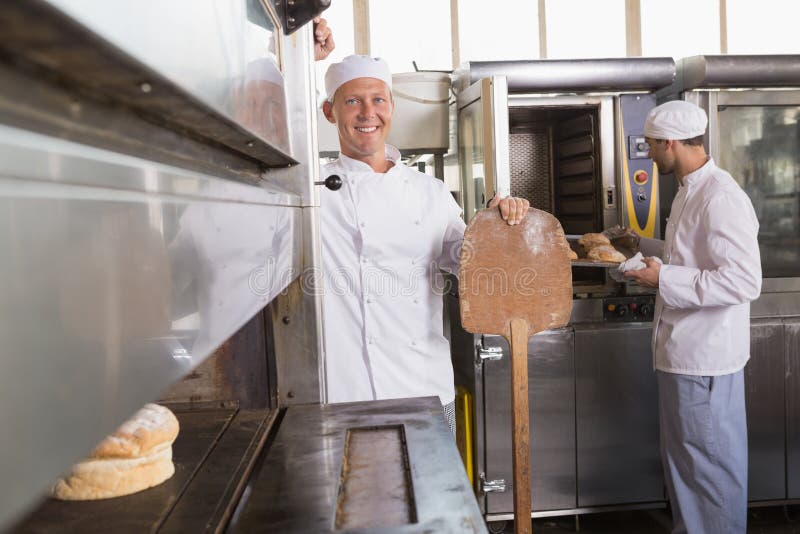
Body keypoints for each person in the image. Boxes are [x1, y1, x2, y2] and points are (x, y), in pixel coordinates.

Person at [319, 54, 529, 432]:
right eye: (352, 101)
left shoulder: (429, 193)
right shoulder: (313, 192)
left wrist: (500, 224)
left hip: (424, 390)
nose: (368, 112)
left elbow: (475, 267)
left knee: (435, 491)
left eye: (378, 100)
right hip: (344, 395)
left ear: (392, 108)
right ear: (329, 111)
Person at [623, 100, 762, 533]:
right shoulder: (690, 191)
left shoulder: (721, 195)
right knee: (688, 468)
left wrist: (662, 279)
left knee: (709, 473)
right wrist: (641, 245)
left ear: (670, 144)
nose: (647, 154)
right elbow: (690, 257)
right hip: (683, 359)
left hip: (704, 362)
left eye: (649, 146)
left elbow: (742, 281)